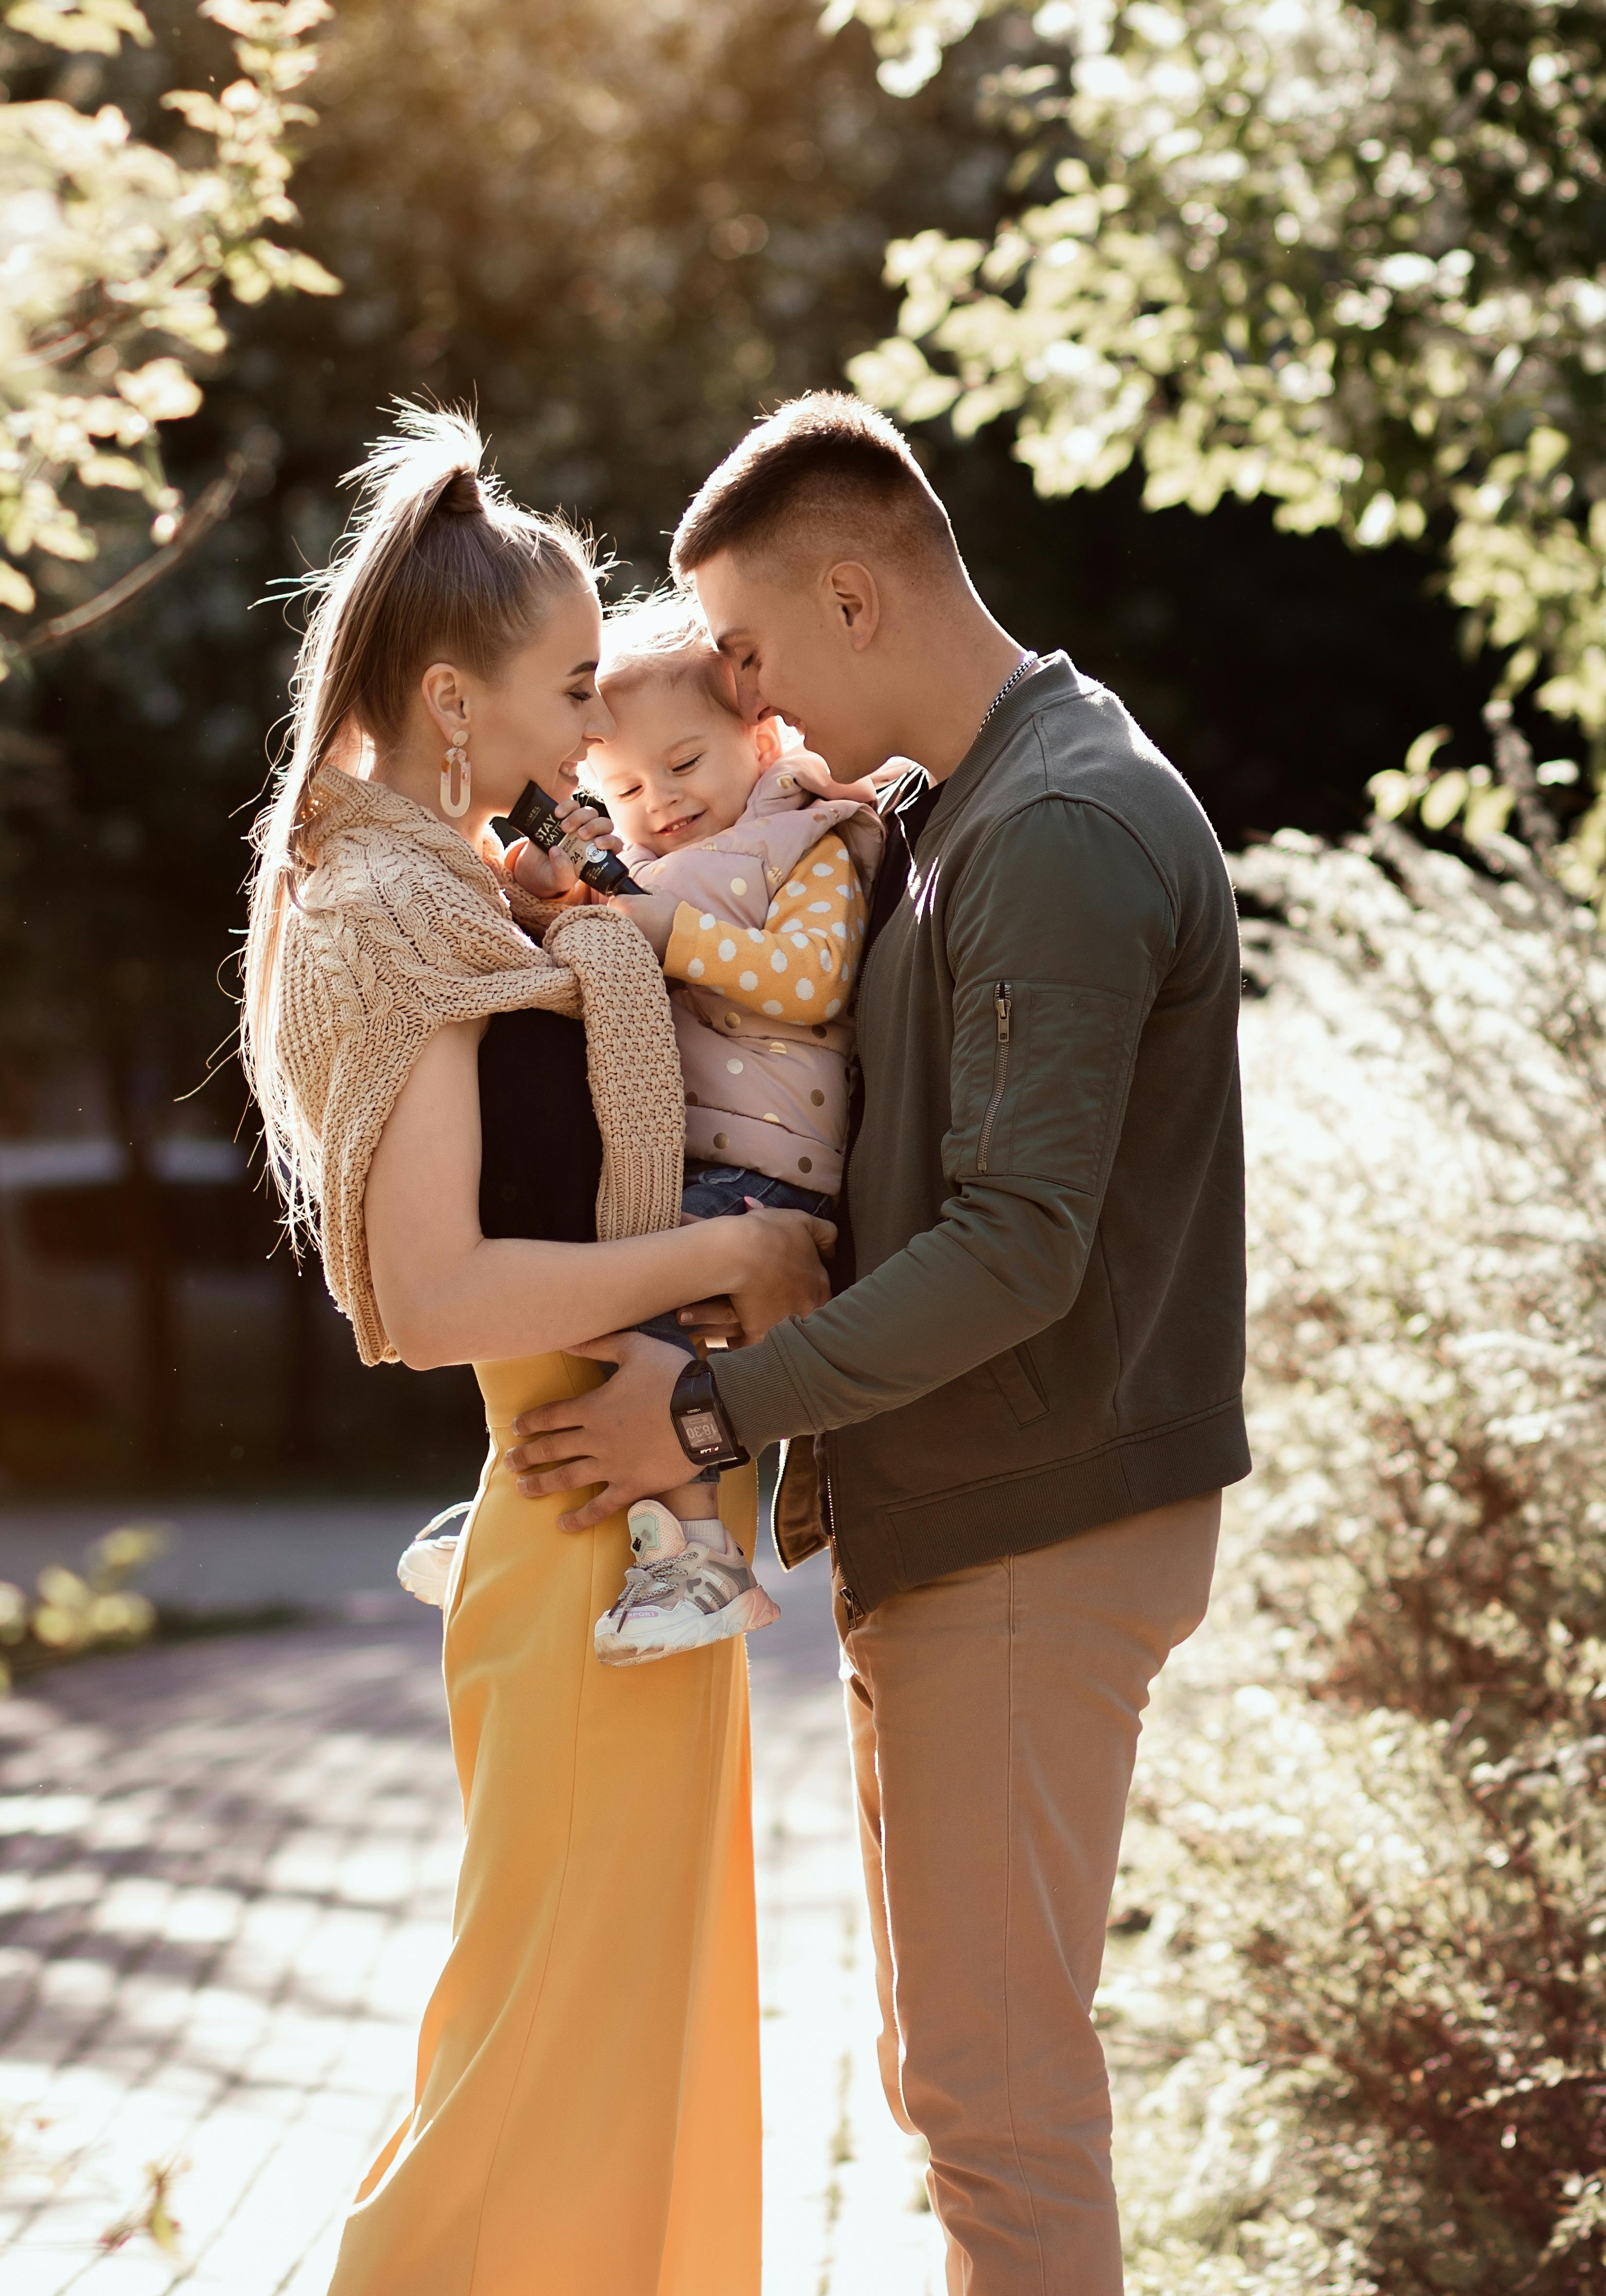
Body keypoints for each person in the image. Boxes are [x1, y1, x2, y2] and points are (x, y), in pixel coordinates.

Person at [505, 394, 1250, 2295]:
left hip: (1033, 1522)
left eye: (746, 653)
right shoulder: (940, 809)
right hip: (964, 1510)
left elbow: (1016, 1249)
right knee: (955, 2081)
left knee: (993, 2098)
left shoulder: (1060, 823)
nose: (744, 705)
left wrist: (709, 1406)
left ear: (853, 598)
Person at [239, 402, 832, 2296]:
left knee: (630, 2066)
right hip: (585, 1526)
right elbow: (423, 1298)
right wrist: (741, 1247)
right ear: (448, 700)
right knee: (527, 2096)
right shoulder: (389, 915)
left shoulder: (442, 882)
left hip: (634, 1515)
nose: (597, 732)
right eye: (575, 686)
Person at [579, 590, 882, 1662]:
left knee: (634, 1314)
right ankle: (533, 1513)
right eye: (623, 787)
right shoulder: (649, 875)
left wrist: (665, 930)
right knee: (557, 1280)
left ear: (760, 739)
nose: (658, 801)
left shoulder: (808, 841)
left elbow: (809, 981)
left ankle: (699, 1557)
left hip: (775, 1179)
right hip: (692, 1170)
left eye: (684, 764)